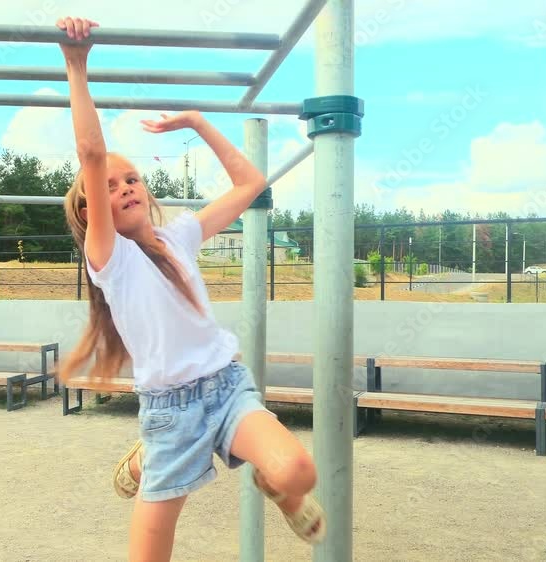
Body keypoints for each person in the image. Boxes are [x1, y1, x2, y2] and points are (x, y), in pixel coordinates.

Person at [53, 16, 326, 561]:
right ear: (90, 210)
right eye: (107, 186)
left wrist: (199, 121)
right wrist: (76, 66)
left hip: (226, 388)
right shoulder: (109, 257)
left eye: (131, 178)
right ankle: (143, 459)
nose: (124, 185)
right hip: (170, 413)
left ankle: (274, 488)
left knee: (299, 471)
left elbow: (251, 184)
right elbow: (90, 153)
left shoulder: (179, 234)